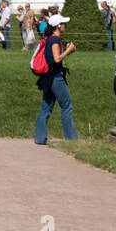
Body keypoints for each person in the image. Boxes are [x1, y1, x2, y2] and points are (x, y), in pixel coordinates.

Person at [35, 15, 79, 145]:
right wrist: (69, 51)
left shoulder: (51, 39)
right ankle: (71, 139)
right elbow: (57, 59)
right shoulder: (54, 40)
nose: (65, 25)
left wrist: (65, 50)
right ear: (58, 26)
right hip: (56, 78)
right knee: (67, 106)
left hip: (49, 77)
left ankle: (40, 138)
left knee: (46, 107)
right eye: (63, 23)